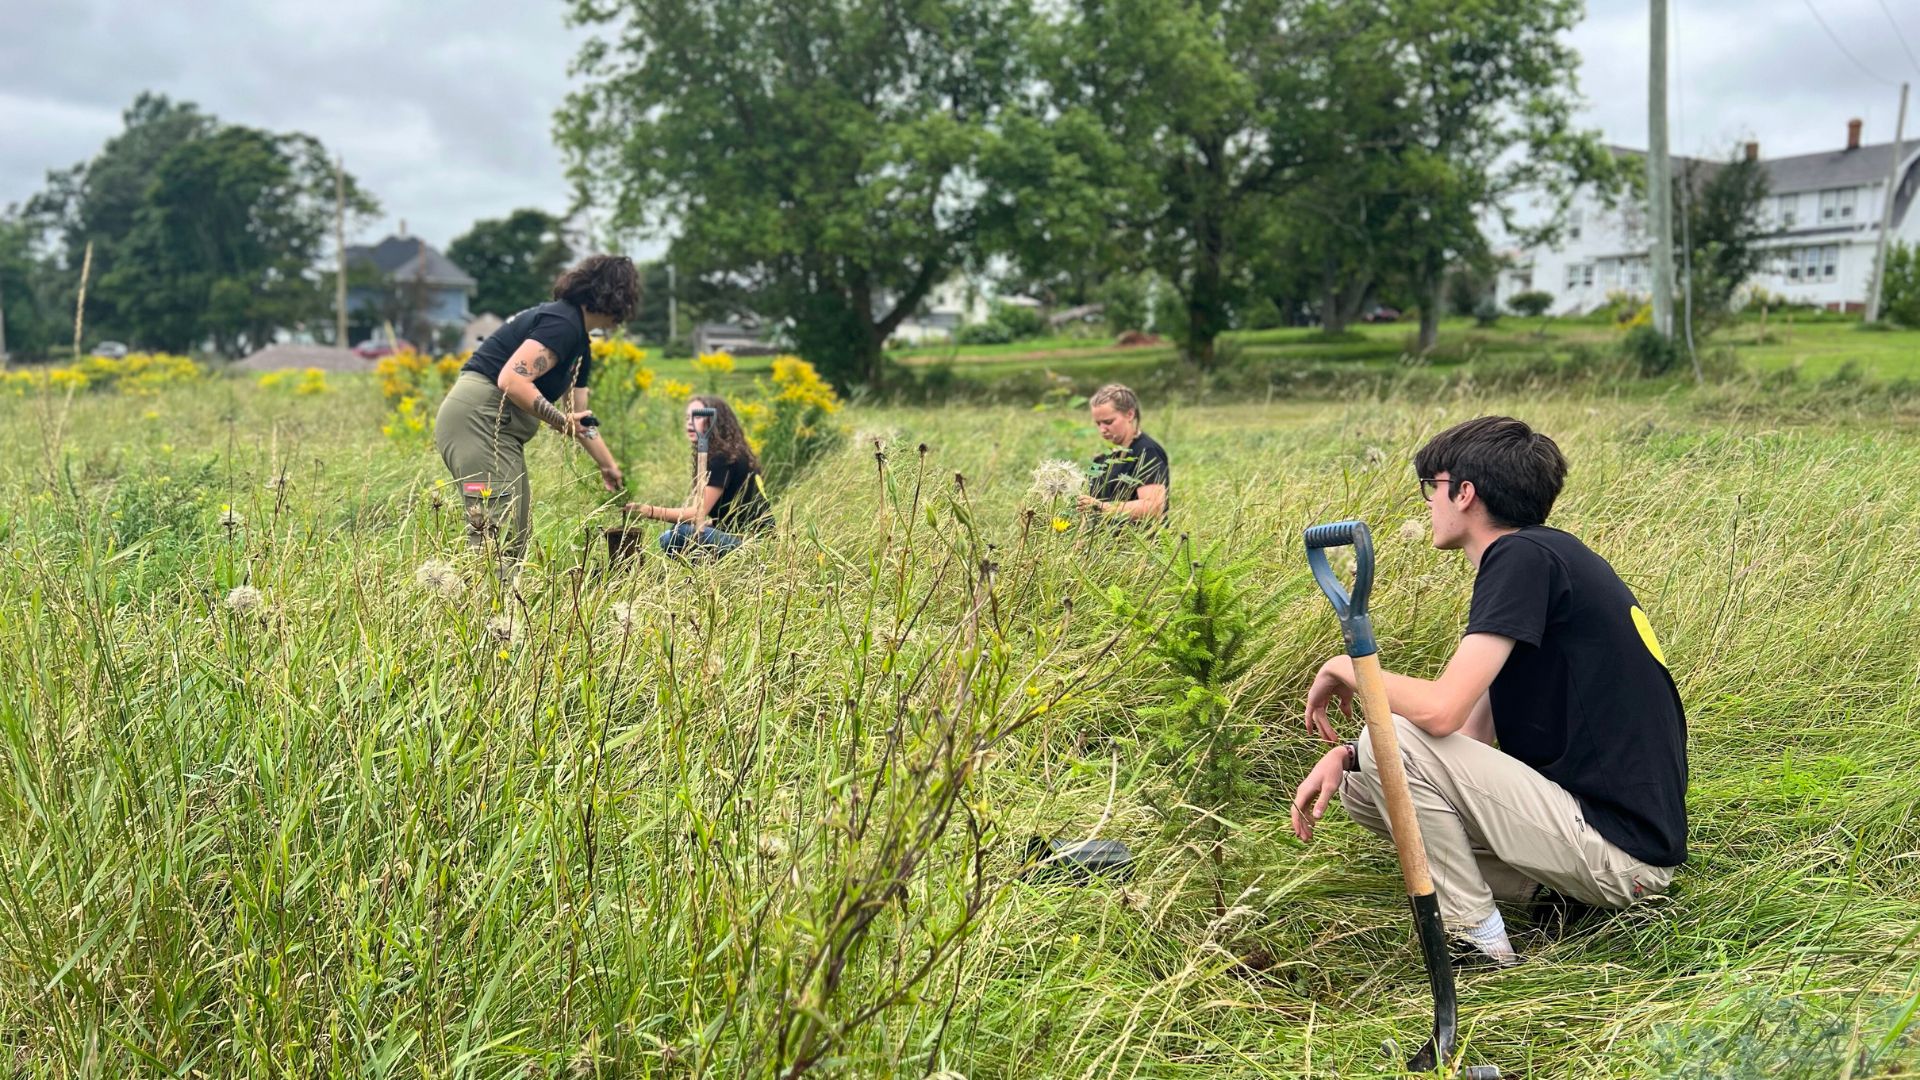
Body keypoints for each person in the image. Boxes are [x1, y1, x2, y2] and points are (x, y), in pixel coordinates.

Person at [1288, 416, 1687, 965]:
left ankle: (1477, 936)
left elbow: (1442, 713)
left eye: (1432, 486)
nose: (1429, 502)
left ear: (1465, 493)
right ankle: (1555, 900)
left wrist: (1345, 666)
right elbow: (1471, 734)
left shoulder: (1520, 558)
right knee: (1365, 787)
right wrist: (1351, 755)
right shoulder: (1547, 559)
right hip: (1612, 846)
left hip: (1622, 854)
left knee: (1394, 742)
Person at [435, 254, 638, 571]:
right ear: (616, 295)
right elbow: (512, 379)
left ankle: (500, 601)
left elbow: (579, 417)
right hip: (479, 421)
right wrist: (559, 420)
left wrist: (607, 464)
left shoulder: (579, 343)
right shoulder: (562, 323)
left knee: (516, 531)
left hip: (499, 430)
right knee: (495, 534)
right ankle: (481, 602)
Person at [625, 395, 773, 558]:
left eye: (697, 416)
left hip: (755, 544)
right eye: (687, 417)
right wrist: (712, 523)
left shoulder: (722, 459)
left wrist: (649, 511)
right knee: (667, 537)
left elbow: (697, 513)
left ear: (715, 421)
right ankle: (710, 571)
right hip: (741, 536)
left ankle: (726, 568)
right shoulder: (723, 453)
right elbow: (729, 514)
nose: (690, 422)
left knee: (680, 533)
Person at [1076, 383, 1169, 524]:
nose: (1102, 429)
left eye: (1108, 422)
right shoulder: (1101, 458)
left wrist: (1102, 507)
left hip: (1138, 538)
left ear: (1130, 414)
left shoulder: (1147, 452)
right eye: (1098, 423)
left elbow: (1154, 507)